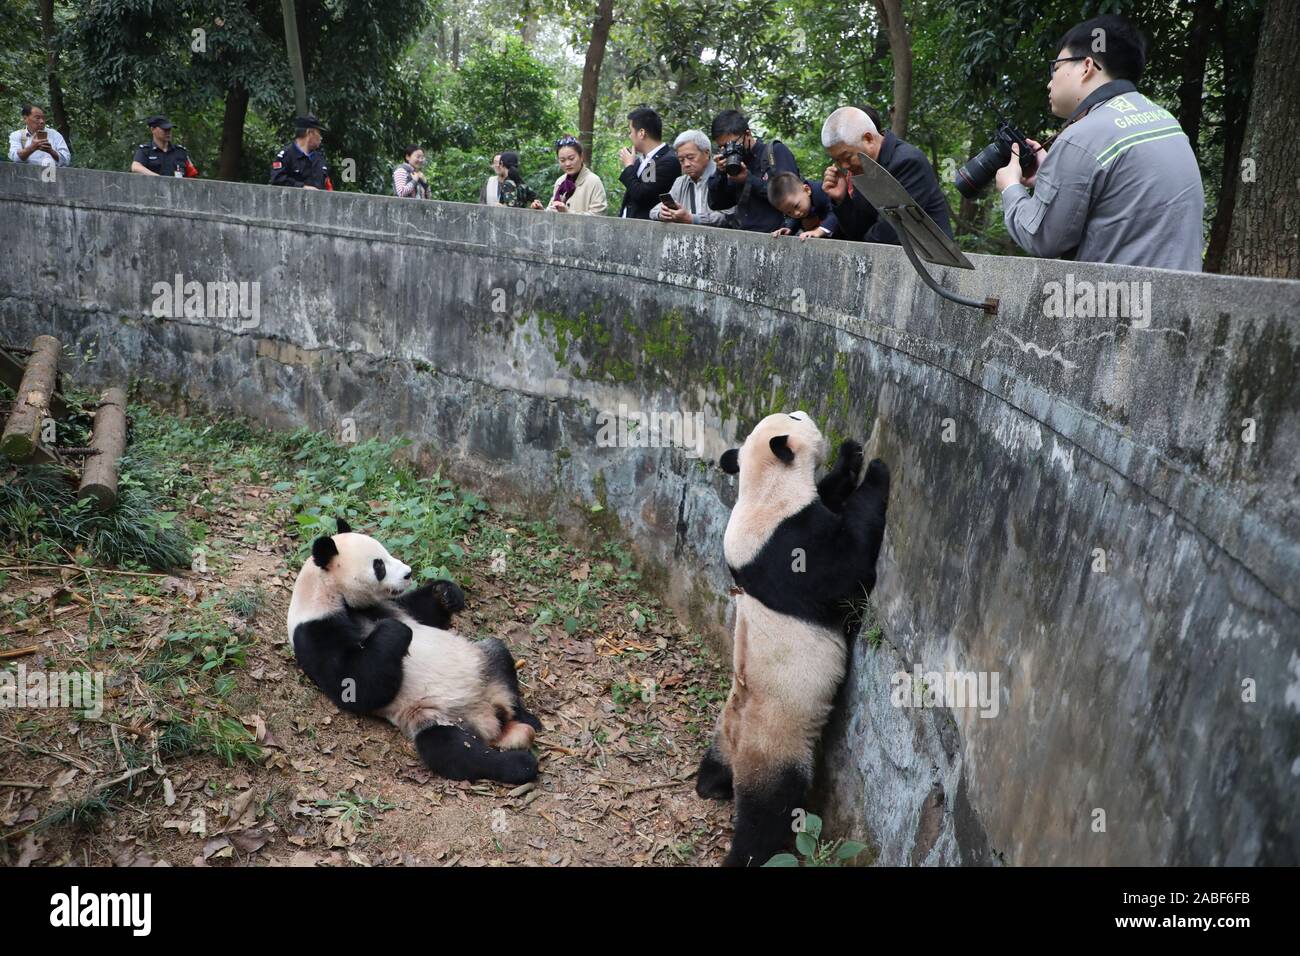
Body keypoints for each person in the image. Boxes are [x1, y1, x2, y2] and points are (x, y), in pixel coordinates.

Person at [996, 15, 1204, 271]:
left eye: (1056, 67)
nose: (1050, 82)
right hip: (1180, 299)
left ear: (1086, 66)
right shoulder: (1165, 120)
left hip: (1118, 304)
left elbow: (1041, 238)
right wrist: (1052, 173)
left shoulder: (1082, 136)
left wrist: (1010, 187)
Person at [820, 106, 952, 243]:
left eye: (847, 157)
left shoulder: (907, 162)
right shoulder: (862, 169)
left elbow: (892, 232)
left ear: (868, 139)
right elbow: (858, 231)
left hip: (930, 259)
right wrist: (842, 199)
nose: (844, 166)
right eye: (837, 161)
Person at [706, 109, 800, 232]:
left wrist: (748, 179)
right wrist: (720, 173)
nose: (729, 149)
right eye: (723, 147)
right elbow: (716, 204)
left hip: (778, 237)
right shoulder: (735, 164)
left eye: (733, 144)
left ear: (747, 134)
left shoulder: (775, 152)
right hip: (745, 238)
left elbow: (790, 195)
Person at [649, 130, 732, 227]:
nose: (686, 164)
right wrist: (662, 213)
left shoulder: (724, 177)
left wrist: (692, 219)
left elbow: (729, 216)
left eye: (691, 157)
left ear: (706, 153)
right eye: (681, 160)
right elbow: (653, 211)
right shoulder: (680, 182)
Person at [618, 107, 681, 219]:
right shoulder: (640, 161)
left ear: (641, 133)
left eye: (630, 132)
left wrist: (628, 167)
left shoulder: (665, 161)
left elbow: (642, 194)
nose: (630, 136)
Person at [530, 136, 606, 215]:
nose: (567, 164)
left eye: (571, 158)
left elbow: (598, 215)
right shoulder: (560, 181)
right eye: (562, 160)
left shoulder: (593, 181)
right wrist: (541, 211)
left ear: (581, 157)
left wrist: (568, 213)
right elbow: (553, 211)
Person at [768, 172, 839, 240]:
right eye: (789, 213)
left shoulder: (821, 191)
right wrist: (789, 229)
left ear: (807, 190)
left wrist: (820, 230)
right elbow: (796, 219)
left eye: (796, 206)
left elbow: (836, 213)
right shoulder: (800, 204)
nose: (796, 213)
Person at [270, 114, 333, 190]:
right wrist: (302, 187)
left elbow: (327, 185)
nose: (321, 138)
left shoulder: (319, 159)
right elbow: (277, 179)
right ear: (309, 132)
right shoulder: (287, 155)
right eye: (319, 133)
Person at [131, 116, 199, 178]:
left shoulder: (180, 151)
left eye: (169, 129)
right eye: (164, 129)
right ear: (153, 129)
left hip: (177, 190)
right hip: (153, 190)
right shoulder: (146, 150)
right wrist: (159, 179)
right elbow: (136, 167)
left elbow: (192, 174)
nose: (168, 132)